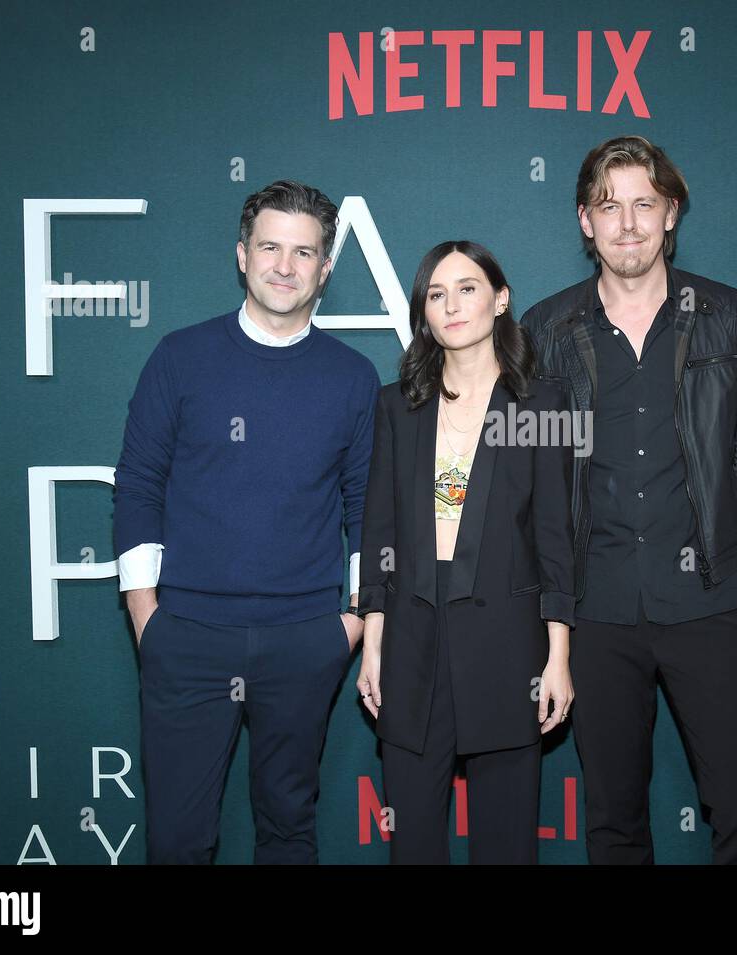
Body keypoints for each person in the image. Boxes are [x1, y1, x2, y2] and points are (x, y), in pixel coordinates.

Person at [521, 135, 737, 864]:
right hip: (596, 610)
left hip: (710, 600)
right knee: (613, 821)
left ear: (671, 213)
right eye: (609, 206)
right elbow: (534, 475)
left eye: (644, 204)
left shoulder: (729, 316)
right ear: (584, 219)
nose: (627, 223)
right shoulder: (546, 331)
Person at [113, 179, 379, 864]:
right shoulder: (179, 357)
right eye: (270, 247)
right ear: (242, 254)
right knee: (177, 838)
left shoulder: (352, 378)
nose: (284, 266)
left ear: (325, 268)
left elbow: (368, 507)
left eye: (303, 251)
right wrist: (149, 617)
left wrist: (348, 625)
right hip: (189, 636)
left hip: (304, 640)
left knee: (288, 830)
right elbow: (138, 486)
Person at [356, 240, 576, 864]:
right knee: (415, 845)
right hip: (410, 642)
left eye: (468, 288)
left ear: (501, 299)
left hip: (510, 643)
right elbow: (379, 534)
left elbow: (556, 536)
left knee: (506, 845)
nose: (452, 305)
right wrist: (373, 648)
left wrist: (559, 656)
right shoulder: (396, 406)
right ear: (423, 312)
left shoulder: (541, 403)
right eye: (436, 293)